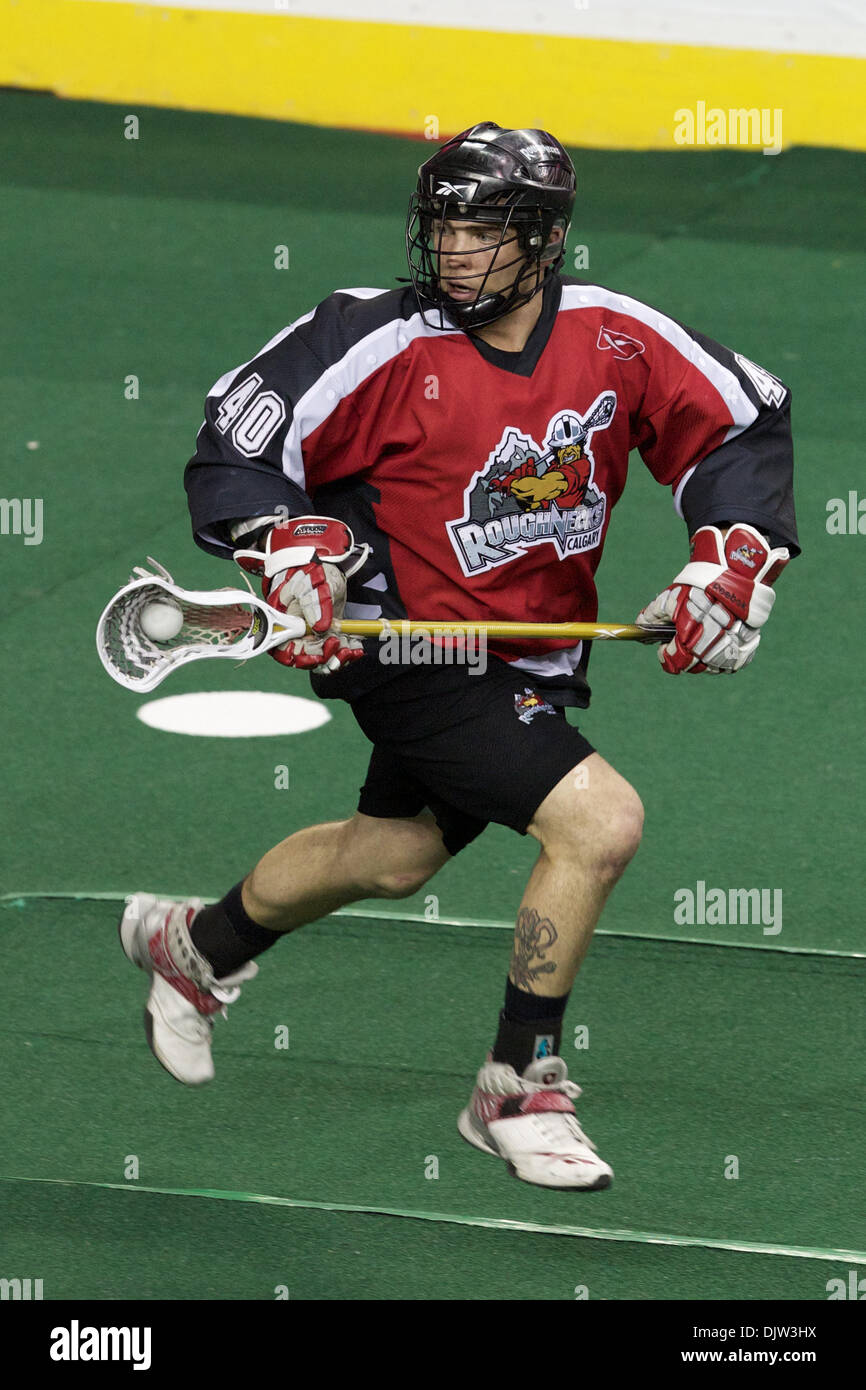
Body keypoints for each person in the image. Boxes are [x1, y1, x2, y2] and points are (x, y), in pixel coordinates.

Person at [120, 122, 798, 1190]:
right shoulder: (372, 338)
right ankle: (515, 1084)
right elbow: (242, 441)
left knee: (394, 854)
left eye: (482, 229)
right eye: (441, 225)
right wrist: (284, 546)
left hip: (525, 645)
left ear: (543, 240)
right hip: (403, 638)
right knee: (597, 820)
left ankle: (195, 945)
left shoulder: (617, 338)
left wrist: (731, 554)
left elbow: (738, 424)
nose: (452, 250)